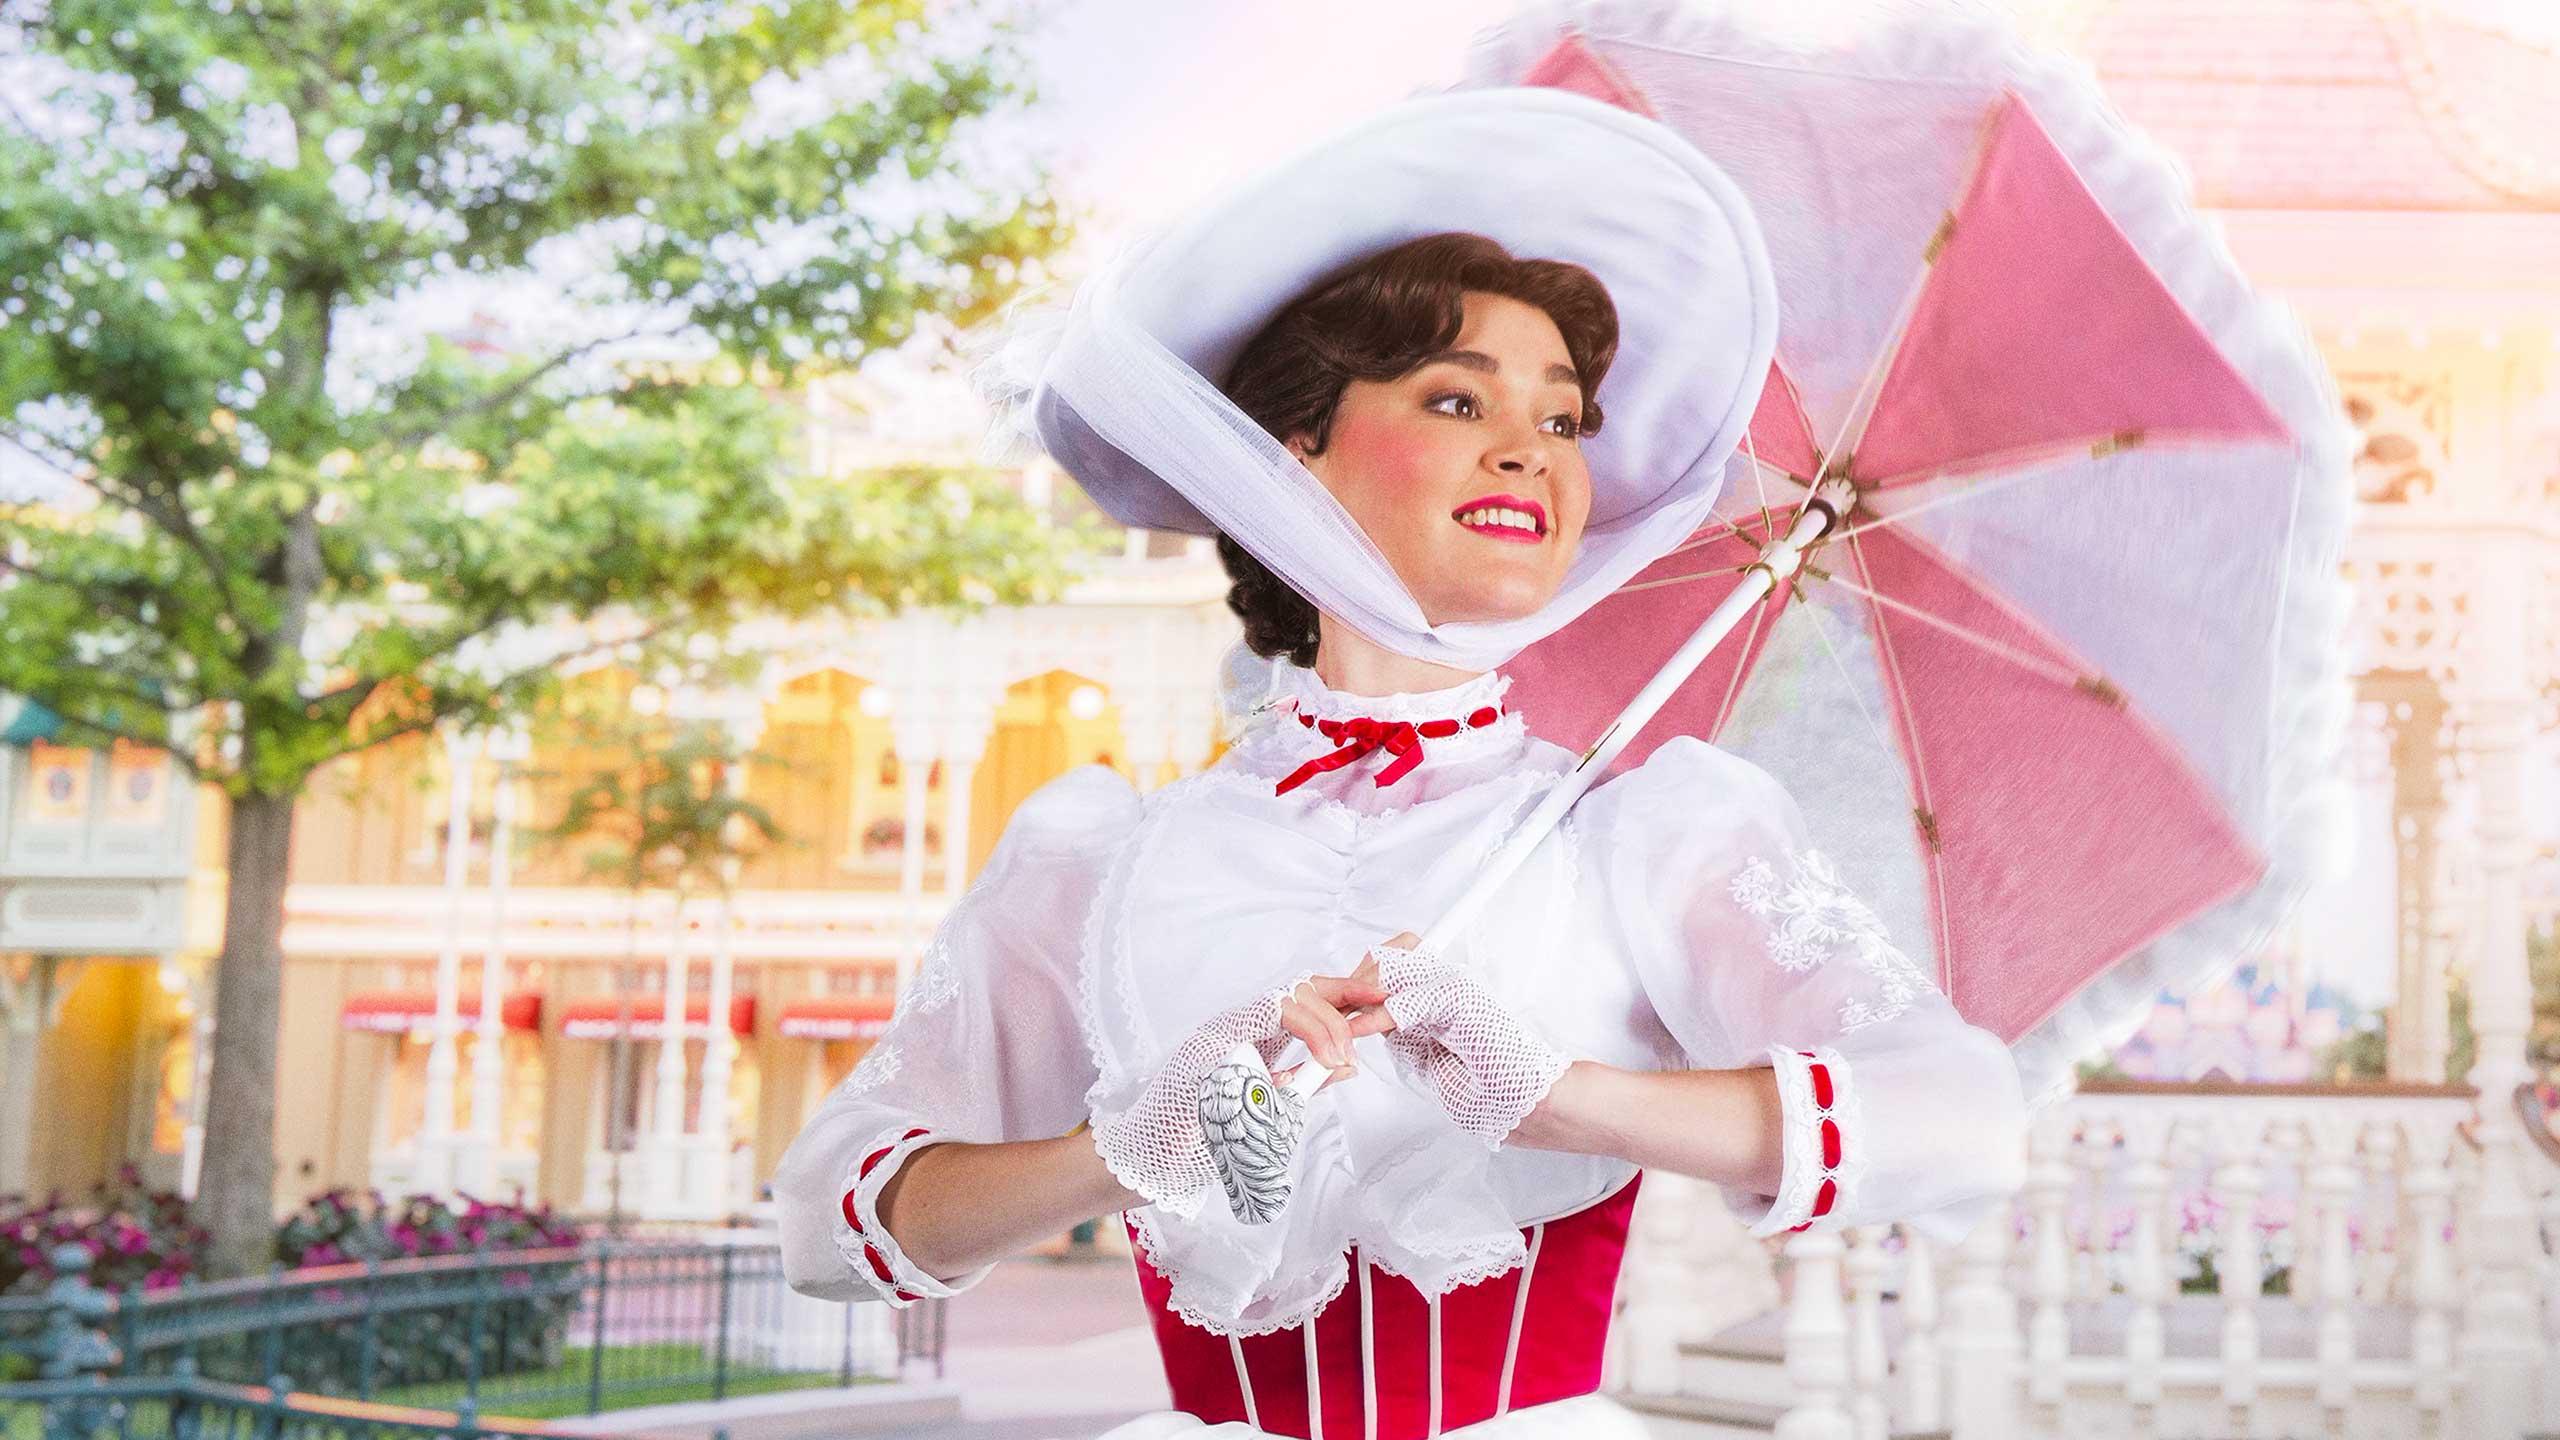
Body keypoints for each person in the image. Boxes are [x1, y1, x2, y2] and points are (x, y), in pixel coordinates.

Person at [774, 88, 2028, 1439]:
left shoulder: (1639, 832)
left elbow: (1961, 1122)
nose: (1528, 452)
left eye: (1564, 422)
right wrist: (1122, 1155)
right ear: (1295, 452)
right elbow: (832, 1228)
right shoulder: (1106, 858)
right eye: (1456, 398)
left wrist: (1565, 1100)